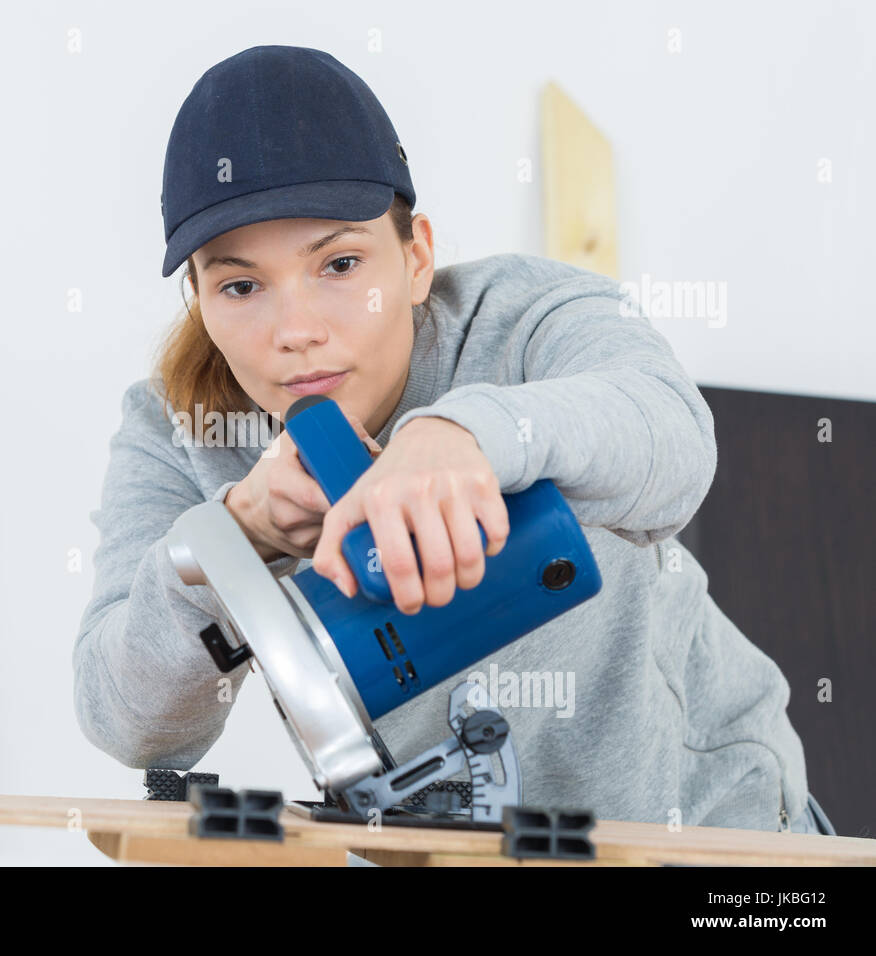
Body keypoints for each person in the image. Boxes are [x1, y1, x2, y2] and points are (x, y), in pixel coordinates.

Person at [73, 44, 834, 836]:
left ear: (415, 257)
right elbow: (131, 725)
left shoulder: (527, 318)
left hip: (716, 839)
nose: (295, 332)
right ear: (196, 298)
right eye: (239, 286)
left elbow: (675, 442)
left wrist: (465, 437)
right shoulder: (178, 427)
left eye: (339, 263)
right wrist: (236, 537)